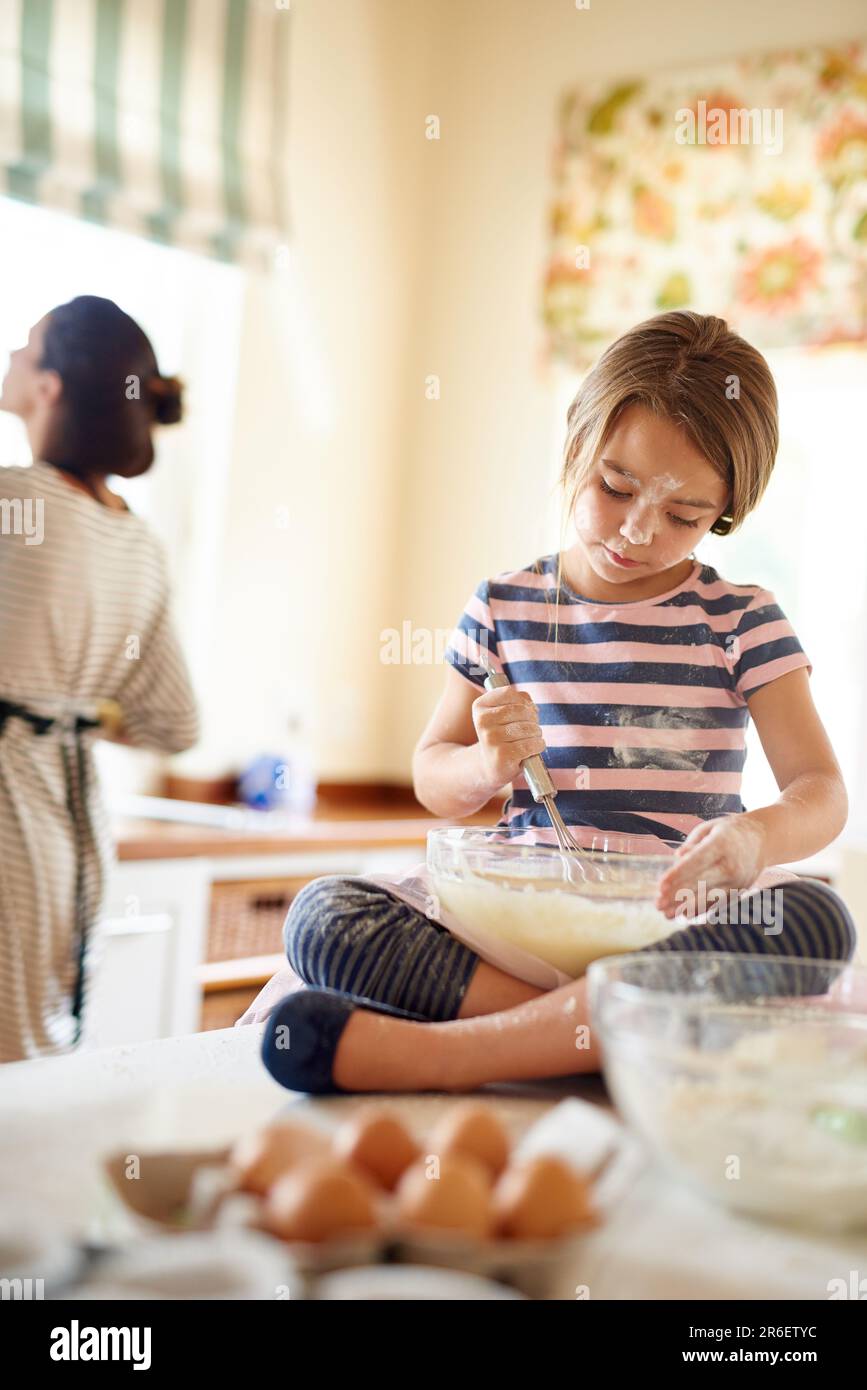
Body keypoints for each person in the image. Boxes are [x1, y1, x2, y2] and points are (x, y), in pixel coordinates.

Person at [260, 310, 856, 1094]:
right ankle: (606, 1035)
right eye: (615, 486)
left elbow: (821, 792)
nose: (637, 531)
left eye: (683, 516)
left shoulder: (741, 619)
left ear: (725, 513)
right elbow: (433, 776)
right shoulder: (501, 606)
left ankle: (455, 1054)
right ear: (575, 441)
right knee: (325, 916)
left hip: (669, 927)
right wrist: (486, 764)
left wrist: (752, 839)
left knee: (815, 924)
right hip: (516, 918)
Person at [0, 295, 199, 1061]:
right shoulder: (139, 544)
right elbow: (176, 725)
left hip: (7, 820)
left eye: (25, 345)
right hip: (72, 837)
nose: (11, 356)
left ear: (49, 386)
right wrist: (73, 713)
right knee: (31, 1062)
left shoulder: (15, 503)